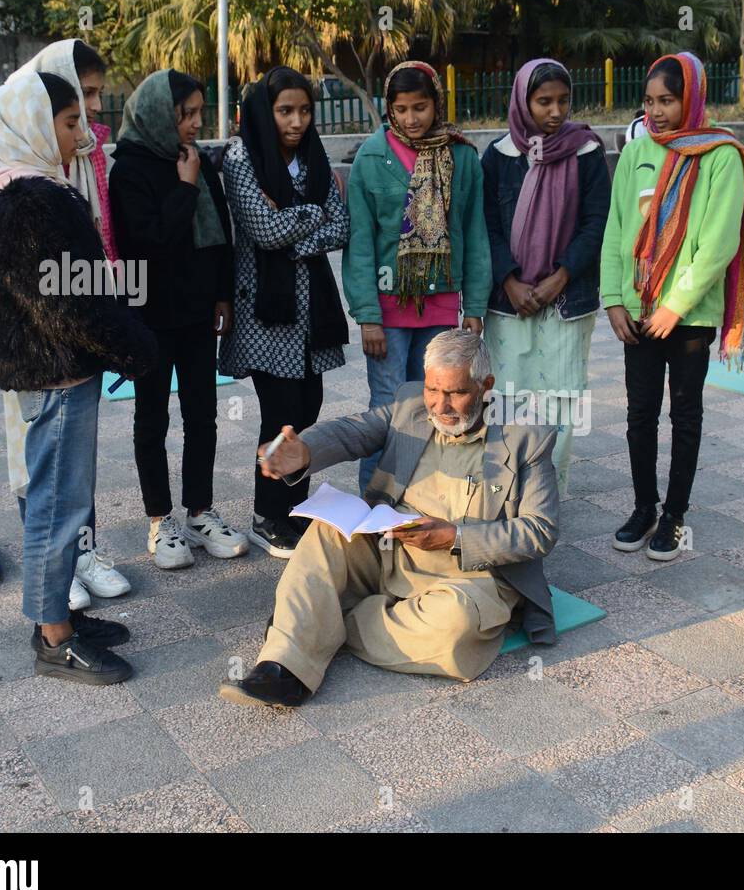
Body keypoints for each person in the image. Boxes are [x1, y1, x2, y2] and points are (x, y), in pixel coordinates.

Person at [219, 329, 558, 707]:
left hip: (468, 577)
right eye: (433, 390)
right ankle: (283, 669)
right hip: (391, 547)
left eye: (456, 393)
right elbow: (352, 432)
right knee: (323, 533)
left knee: (455, 632)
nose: (440, 406)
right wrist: (304, 451)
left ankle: (320, 624)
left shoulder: (525, 434)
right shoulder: (409, 404)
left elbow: (538, 531)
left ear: (485, 385)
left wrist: (453, 537)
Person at [0, 70, 158, 684]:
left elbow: (85, 279)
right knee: (59, 504)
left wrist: (129, 317)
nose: (82, 136)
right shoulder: (28, 200)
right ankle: (54, 637)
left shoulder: (33, 188)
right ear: (31, 124)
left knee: (64, 498)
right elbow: (66, 299)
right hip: (53, 372)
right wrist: (135, 347)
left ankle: (58, 620)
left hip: (59, 367)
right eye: (71, 122)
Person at [599, 52, 744, 562]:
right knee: (639, 414)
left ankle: (674, 514)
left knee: (685, 415)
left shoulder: (721, 155)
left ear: (690, 97)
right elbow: (616, 231)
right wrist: (612, 300)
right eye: (649, 101)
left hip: (689, 317)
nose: (657, 111)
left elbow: (717, 244)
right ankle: (643, 507)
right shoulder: (635, 152)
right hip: (638, 310)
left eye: (667, 100)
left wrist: (675, 305)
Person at [110, 69, 247, 570]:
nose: (194, 124)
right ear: (156, 115)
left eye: (198, 113)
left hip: (195, 313)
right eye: (184, 114)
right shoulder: (129, 168)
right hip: (150, 315)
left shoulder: (196, 161)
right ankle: (159, 519)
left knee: (202, 415)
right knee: (151, 417)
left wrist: (223, 296)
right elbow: (146, 242)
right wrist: (185, 188)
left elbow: (222, 239)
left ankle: (199, 511)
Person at [219, 67, 351, 559]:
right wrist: (311, 214)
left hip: (310, 310)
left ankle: (293, 509)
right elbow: (264, 230)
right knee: (280, 415)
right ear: (264, 111)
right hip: (264, 314)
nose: (296, 121)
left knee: (309, 408)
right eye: (284, 111)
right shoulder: (241, 156)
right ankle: (266, 515)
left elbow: (339, 227)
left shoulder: (313, 155)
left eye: (303, 110)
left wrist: (297, 222)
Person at [342, 61, 490, 494]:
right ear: (388, 108)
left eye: (421, 107)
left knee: (439, 406)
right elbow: (360, 242)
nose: (412, 118)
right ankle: (375, 499)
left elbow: (476, 232)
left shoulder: (462, 156)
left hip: (441, 305)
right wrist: (368, 315)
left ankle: (424, 495)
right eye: (402, 109)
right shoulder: (371, 157)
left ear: (437, 104)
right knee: (387, 406)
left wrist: (475, 306)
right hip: (387, 312)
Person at [481, 58, 609, 495]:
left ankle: (546, 496)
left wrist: (561, 277)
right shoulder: (499, 156)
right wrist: (510, 280)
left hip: (566, 300)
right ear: (522, 101)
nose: (555, 112)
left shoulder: (587, 152)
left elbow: (596, 223)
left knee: (561, 398)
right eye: (543, 102)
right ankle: (506, 489)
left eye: (563, 101)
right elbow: (488, 226)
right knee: (508, 397)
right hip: (509, 299)